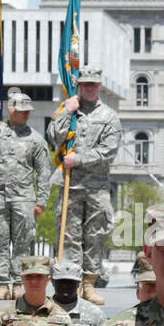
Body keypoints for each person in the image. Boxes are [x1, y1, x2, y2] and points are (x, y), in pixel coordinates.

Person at [47, 66, 123, 306]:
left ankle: (89, 283)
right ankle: (71, 283)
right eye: (85, 84)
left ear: (100, 86)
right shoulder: (69, 110)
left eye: (93, 84)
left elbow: (108, 151)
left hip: (96, 187)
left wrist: (77, 159)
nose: (89, 87)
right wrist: (67, 112)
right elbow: (53, 137)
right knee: (68, 236)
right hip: (70, 186)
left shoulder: (109, 117)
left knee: (96, 235)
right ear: (79, 85)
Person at [0, 92, 51, 300]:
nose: (26, 114)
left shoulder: (36, 140)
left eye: (28, 111)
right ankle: (0, 284)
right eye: (22, 111)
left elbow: (44, 172)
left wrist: (42, 201)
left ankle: (18, 282)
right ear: (11, 110)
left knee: (22, 242)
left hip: (24, 198)